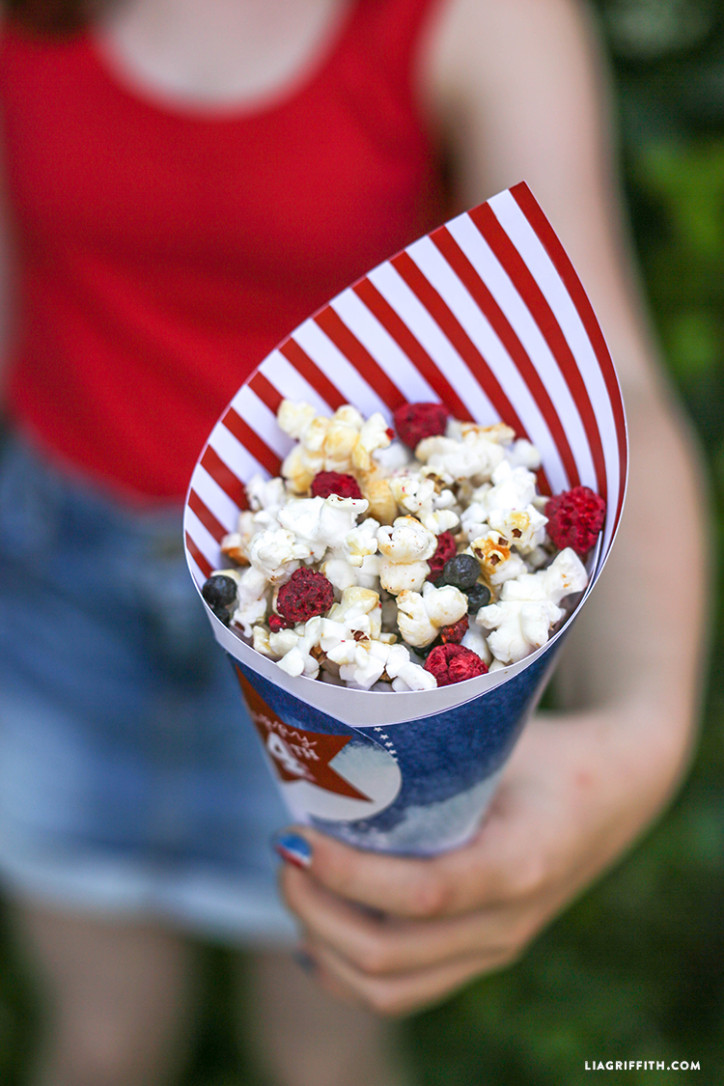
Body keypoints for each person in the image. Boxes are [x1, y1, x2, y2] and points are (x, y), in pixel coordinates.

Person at [0, 0, 708, 1084]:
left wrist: (646, 730)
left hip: (338, 659)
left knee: (327, 1035)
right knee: (99, 1034)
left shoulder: (472, 19)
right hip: (60, 588)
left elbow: (603, 374)